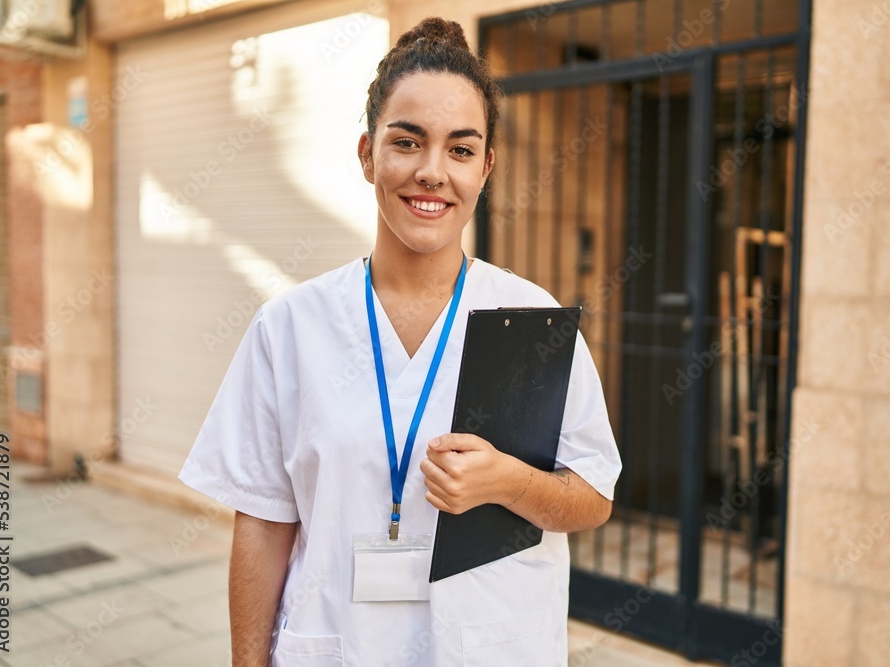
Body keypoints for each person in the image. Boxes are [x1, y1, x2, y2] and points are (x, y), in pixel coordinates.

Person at [179, 16, 622, 667]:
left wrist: (508, 480)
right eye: (408, 142)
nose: (432, 172)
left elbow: (593, 497)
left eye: (461, 149)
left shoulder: (531, 319)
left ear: (486, 167)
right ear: (368, 154)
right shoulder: (290, 328)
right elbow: (264, 524)